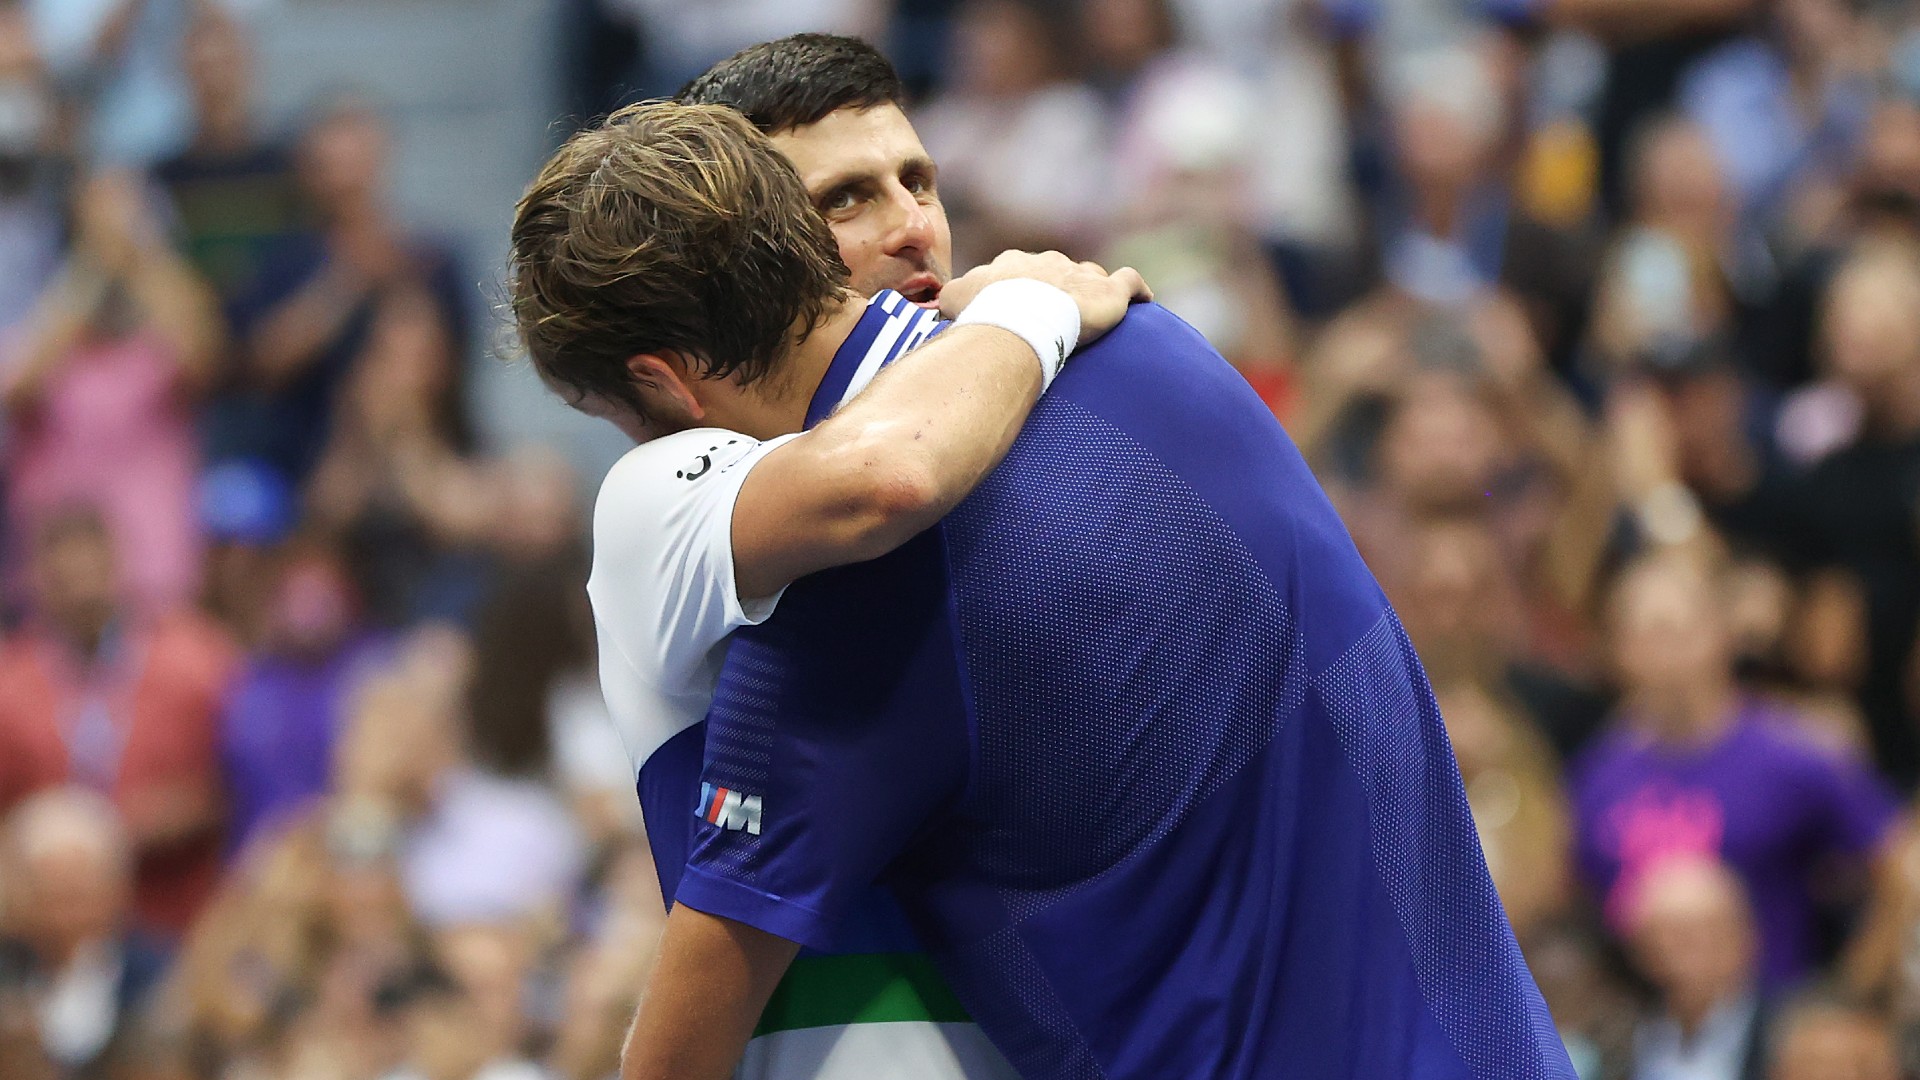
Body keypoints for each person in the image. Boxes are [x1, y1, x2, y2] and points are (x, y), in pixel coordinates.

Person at [509, 102, 1572, 1080]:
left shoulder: (853, 602)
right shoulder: (1150, 339)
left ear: (660, 385)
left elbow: (698, 1007)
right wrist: (1021, 309)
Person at [576, 33, 1154, 1080]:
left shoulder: (1031, 430)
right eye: (846, 200)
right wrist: (1032, 310)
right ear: (741, 258)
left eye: (918, 179)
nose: (911, 225)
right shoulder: (670, 482)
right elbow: (886, 476)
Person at [1571, 548, 1897, 990]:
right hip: (1649, 1038)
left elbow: (1902, 868)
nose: (1665, 652)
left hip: (1766, 1019)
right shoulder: (1599, 777)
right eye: (1644, 634)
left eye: (1677, 630)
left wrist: (1843, 996)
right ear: (1617, 651)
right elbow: (1577, 908)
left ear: (1720, 633)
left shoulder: (1791, 755)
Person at [0, 508, 237, 940]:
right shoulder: (11, 683)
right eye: (66, 580)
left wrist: (136, 824)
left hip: (172, 907)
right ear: (39, 581)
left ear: (117, 567)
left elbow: (230, 783)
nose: (83, 595)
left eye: (92, 575)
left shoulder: (194, 663)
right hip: (51, 923)